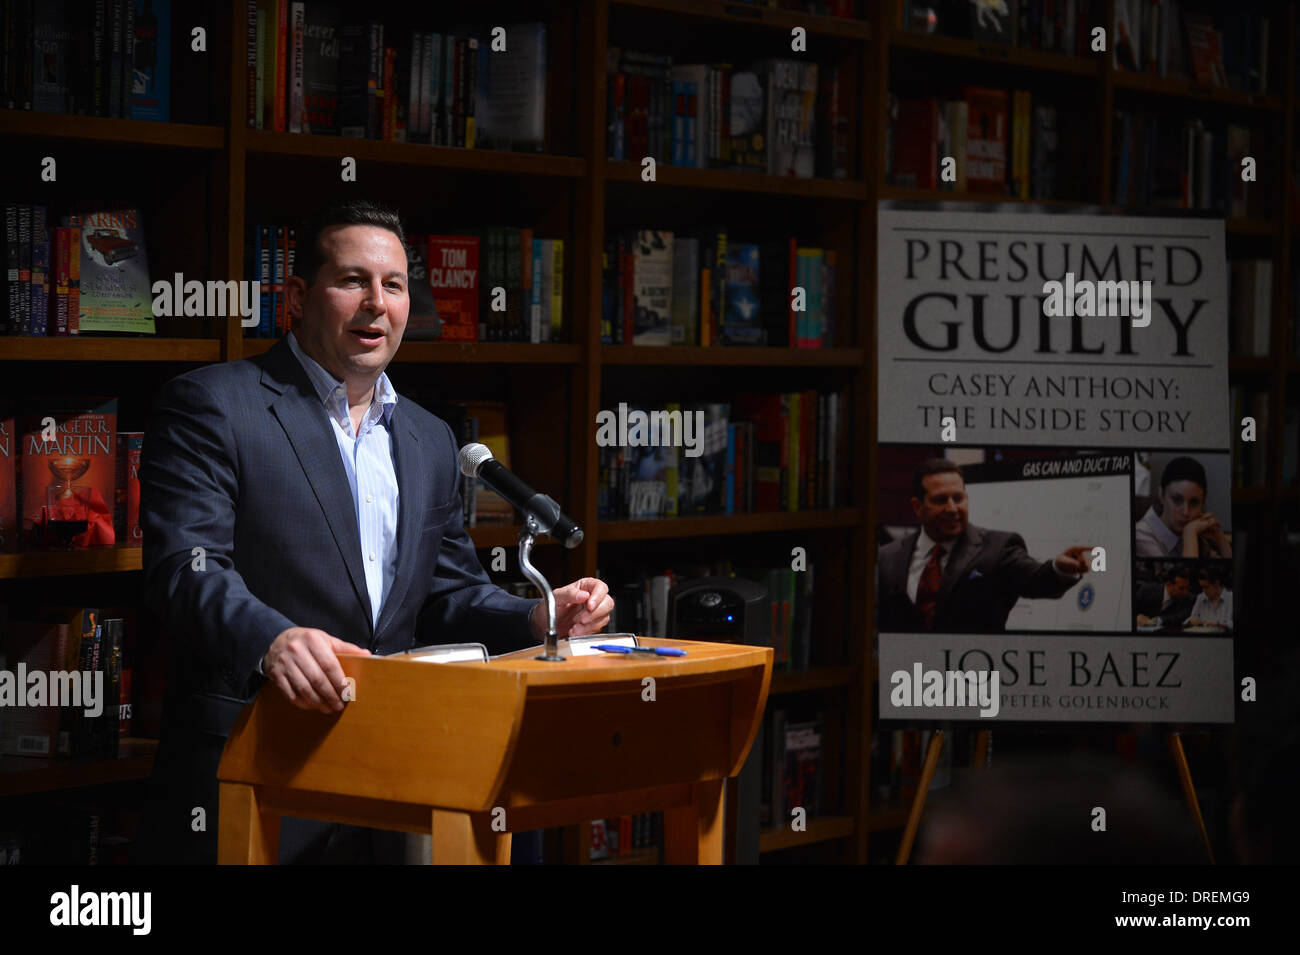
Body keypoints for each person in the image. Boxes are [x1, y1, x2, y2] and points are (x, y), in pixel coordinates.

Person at [135, 200, 614, 864]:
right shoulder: (212, 405)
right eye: (352, 281)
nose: (375, 303)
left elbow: (448, 595)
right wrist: (273, 639)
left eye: (392, 285)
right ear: (299, 296)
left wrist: (536, 614)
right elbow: (185, 568)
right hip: (255, 761)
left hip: (393, 779)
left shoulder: (428, 437)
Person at [877, 459, 1091, 633]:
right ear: (917, 506)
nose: (952, 509)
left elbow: (1035, 579)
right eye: (941, 500)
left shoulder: (998, 548)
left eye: (958, 498)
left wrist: (1059, 569)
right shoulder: (888, 556)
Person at [1134, 456, 1231, 558]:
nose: (1186, 512)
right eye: (1177, 500)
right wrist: (1189, 536)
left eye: (1194, 503)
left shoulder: (1196, 529)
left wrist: (1221, 541)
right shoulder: (1141, 537)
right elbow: (1187, 574)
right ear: (1161, 495)